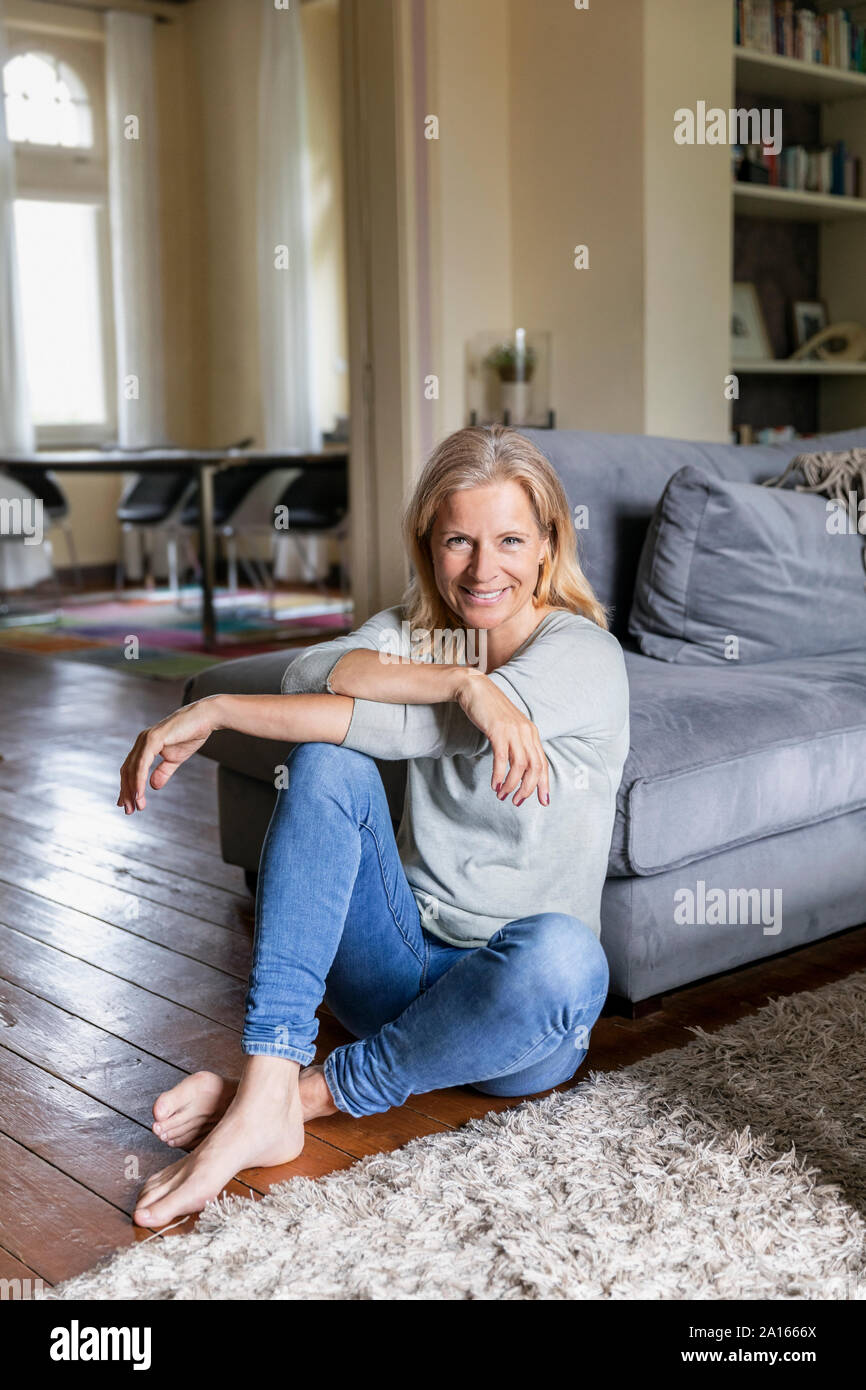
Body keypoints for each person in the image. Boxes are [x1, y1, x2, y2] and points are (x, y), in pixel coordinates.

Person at [117, 424, 630, 1228]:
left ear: (547, 545)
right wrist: (464, 679)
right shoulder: (424, 633)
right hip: (396, 969)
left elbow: (402, 731)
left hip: (517, 1020)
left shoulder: (585, 656)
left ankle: (292, 1101)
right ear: (429, 542)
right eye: (458, 539)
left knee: (570, 960)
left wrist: (218, 709)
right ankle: (270, 1070)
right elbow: (310, 670)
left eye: (508, 540)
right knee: (327, 766)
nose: (482, 567)